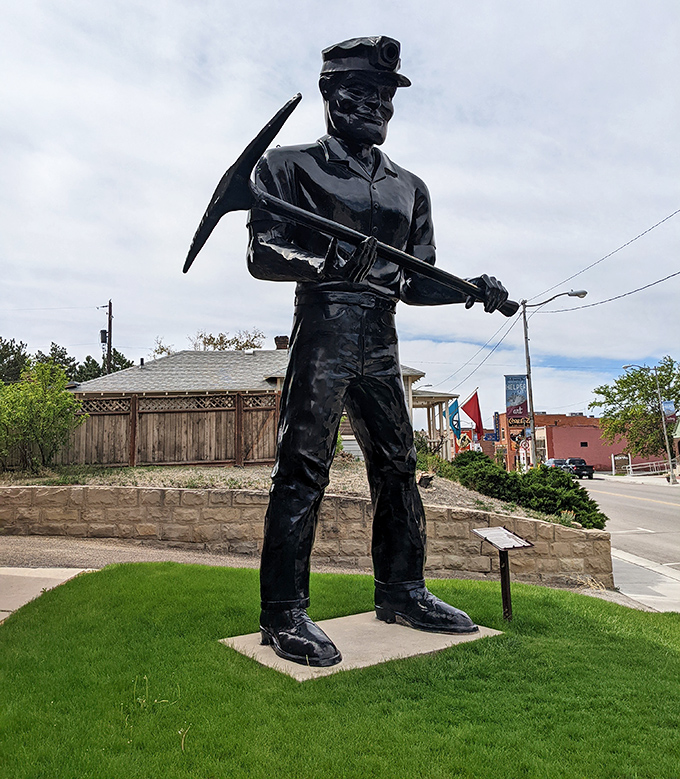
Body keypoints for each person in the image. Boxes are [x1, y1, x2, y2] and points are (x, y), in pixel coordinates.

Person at [247, 36, 508, 667]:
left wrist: (469, 290)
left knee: (398, 465)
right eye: (361, 93)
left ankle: (402, 590)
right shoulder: (287, 167)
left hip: (382, 339)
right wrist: (326, 260)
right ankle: (282, 611)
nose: (375, 106)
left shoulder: (409, 188)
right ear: (330, 94)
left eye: (385, 97)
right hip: (324, 330)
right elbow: (262, 252)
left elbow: (415, 280)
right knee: (302, 467)